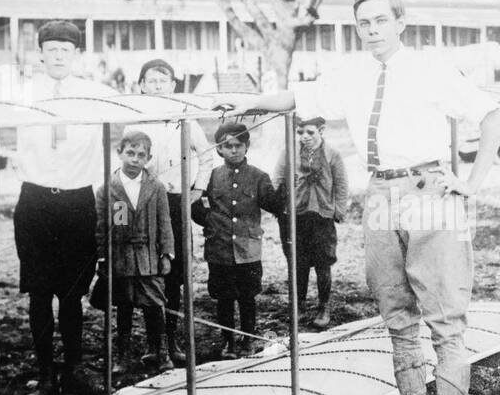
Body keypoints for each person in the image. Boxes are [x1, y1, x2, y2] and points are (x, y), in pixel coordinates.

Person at [217, 0, 500, 395]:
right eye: (363, 22)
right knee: (396, 316)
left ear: (399, 22)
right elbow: (295, 98)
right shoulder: (350, 73)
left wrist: (472, 181)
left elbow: (490, 114)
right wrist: (249, 103)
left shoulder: (431, 67)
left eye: (379, 20)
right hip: (381, 195)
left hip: (430, 191)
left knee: (445, 323)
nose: (371, 29)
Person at [13, 20, 115, 395]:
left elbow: (142, 103)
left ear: (77, 55)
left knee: (72, 294)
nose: (57, 56)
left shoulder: (95, 94)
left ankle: (73, 368)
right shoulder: (22, 93)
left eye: (65, 50)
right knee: (39, 294)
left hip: (77, 201)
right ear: (40, 53)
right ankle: (44, 377)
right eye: (51, 49)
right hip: (36, 200)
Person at [121, 58, 212, 364]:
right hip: (143, 203)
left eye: (164, 80)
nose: (158, 86)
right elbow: (127, 164)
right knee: (147, 271)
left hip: (175, 201)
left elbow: (206, 155)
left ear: (174, 86)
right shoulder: (135, 121)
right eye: (151, 80)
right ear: (142, 86)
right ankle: (153, 345)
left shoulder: (185, 117)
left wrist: (197, 190)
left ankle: (173, 342)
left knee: (173, 273)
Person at [93, 131, 175, 376]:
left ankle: (159, 352)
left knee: (153, 304)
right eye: (130, 153)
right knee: (124, 306)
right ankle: (123, 354)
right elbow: (100, 227)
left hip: (149, 256)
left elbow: (165, 221)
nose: (134, 159)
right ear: (119, 153)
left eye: (141, 155)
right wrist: (103, 257)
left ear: (148, 158)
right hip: (120, 257)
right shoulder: (107, 189)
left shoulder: (156, 187)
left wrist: (166, 254)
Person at [200, 121, 284, 359]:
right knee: (223, 299)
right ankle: (229, 342)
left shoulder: (258, 176)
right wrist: (210, 222)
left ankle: (248, 340)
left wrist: (285, 189)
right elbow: (197, 205)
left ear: (247, 147)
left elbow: (272, 204)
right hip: (220, 249)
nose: (233, 150)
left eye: (239, 145)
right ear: (219, 149)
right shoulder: (211, 176)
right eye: (228, 146)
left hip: (248, 250)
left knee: (248, 297)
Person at [273, 116, 348, 329]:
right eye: (300, 132)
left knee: (323, 263)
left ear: (321, 131)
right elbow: (277, 179)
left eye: (310, 132)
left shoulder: (332, 154)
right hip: (295, 216)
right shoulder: (288, 152)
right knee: (298, 263)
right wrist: (279, 208)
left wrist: (338, 211)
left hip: (322, 215)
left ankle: (324, 306)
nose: (304, 137)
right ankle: (299, 305)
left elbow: (341, 184)